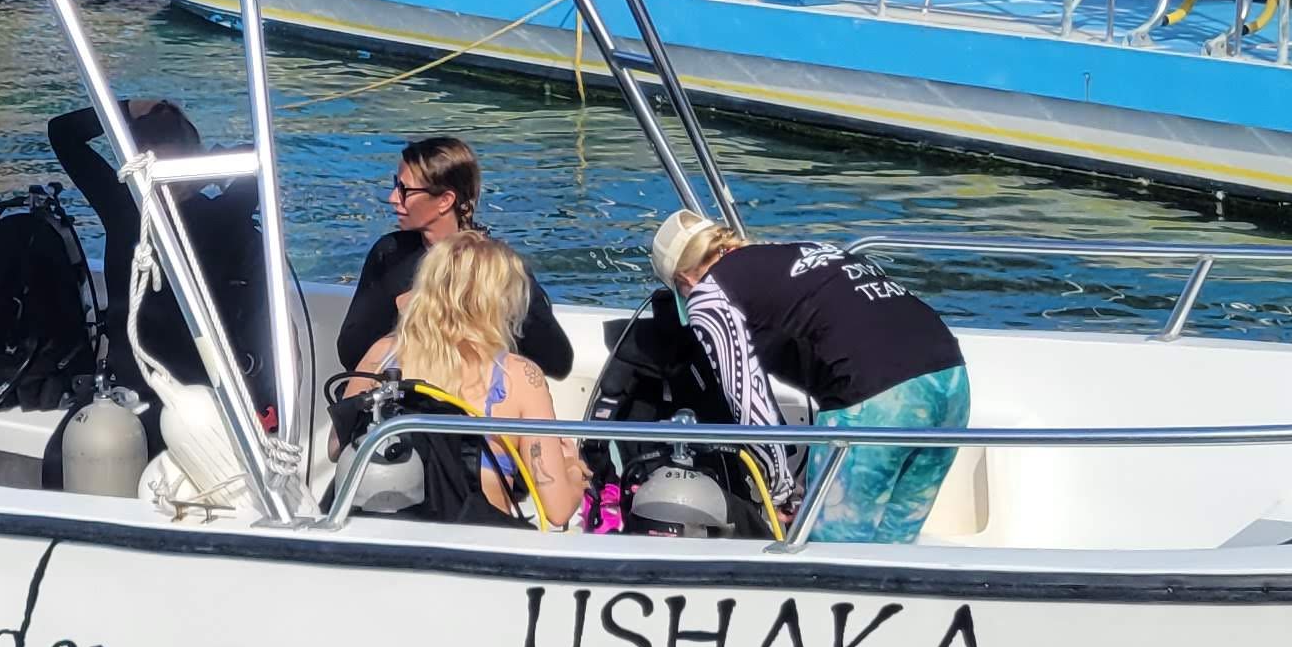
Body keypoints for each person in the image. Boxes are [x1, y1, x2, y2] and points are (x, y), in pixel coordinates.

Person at [648, 211, 969, 547]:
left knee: (829, 552)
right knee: (893, 548)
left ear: (683, 279)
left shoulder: (708, 292)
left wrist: (780, 490)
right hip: (951, 380)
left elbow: (748, 400)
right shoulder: (799, 252)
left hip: (877, 399)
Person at [355, 228, 584, 531]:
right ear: (499, 299)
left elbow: (337, 446)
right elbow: (557, 510)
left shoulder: (382, 355)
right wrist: (574, 470)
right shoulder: (517, 377)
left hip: (387, 532)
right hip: (478, 540)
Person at [47, 99, 274, 399]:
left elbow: (62, 132)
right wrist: (205, 174)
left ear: (136, 162)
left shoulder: (121, 208)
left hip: (134, 382)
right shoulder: (223, 214)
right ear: (193, 161)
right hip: (205, 387)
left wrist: (131, 107)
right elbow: (256, 158)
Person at [335, 132, 571, 381]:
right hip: (408, 392)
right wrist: (399, 312)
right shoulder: (391, 253)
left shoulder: (496, 267)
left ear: (445, 201)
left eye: (405, 190)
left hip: (473, 395)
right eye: (395, 185)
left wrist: (492, 309)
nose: (393, 198)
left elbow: (558, 361)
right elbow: (350, 353)